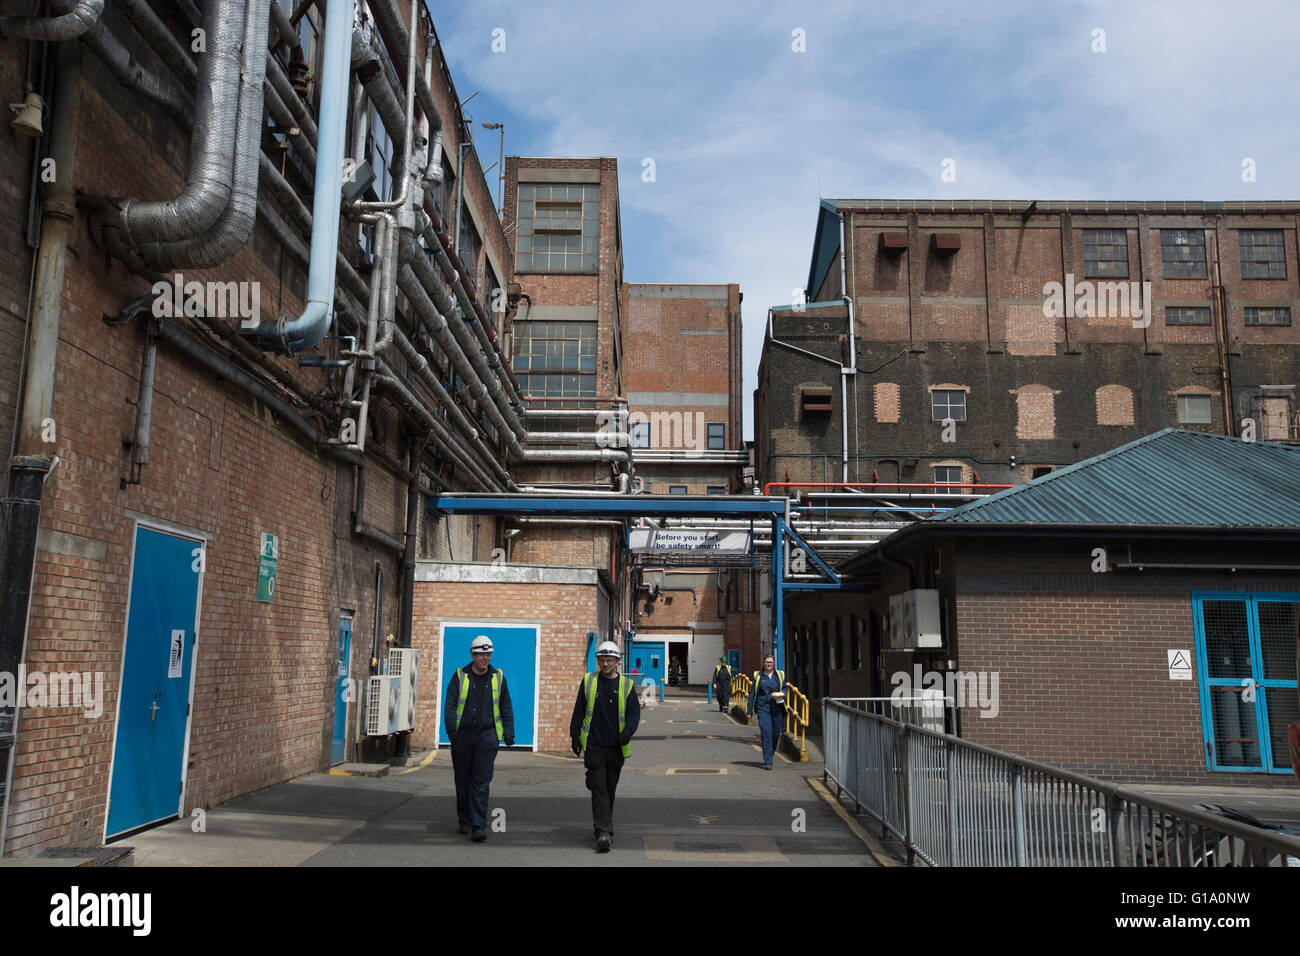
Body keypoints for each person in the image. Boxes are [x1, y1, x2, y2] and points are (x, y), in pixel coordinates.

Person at [570, 640, 640, 853]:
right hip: (594, 746)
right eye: (601, 660)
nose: (605, 664)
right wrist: (574, 736)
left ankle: (602, 827)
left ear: (618, 662)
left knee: (609, 789)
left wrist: (627, 732)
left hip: (616, 748)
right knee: (599, 788)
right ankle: (604, 832)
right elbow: (579, 711)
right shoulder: (589, 682)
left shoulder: (626, 686)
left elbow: (633, 714)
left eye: (609, 660)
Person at [443, 635, 514, 842]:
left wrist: (508, 731)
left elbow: (506, 705)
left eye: (488, 654)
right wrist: (451, 731)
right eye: (481, 654)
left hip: (487, 736)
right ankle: (464, 820)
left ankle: (478, 825)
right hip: (463, 736)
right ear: (473, 655)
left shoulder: (498, 677)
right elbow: (450, 705)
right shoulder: (460, 676)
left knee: (481, 782)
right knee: (463, 781)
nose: (485, 658)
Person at [747, 655, 786, 770]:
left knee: (775, 734)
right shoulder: (758, 676)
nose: (769, 664)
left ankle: (770, 752)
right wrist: (749, 711)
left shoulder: (779, 675)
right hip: (763, 708)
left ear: (773, 664)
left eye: (771, 662)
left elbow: (784, 688)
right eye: (767, 662)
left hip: (777, 707)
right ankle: (768, 760)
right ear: (763, 663)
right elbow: (752, 694)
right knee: (766, 733)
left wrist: (782, 694)